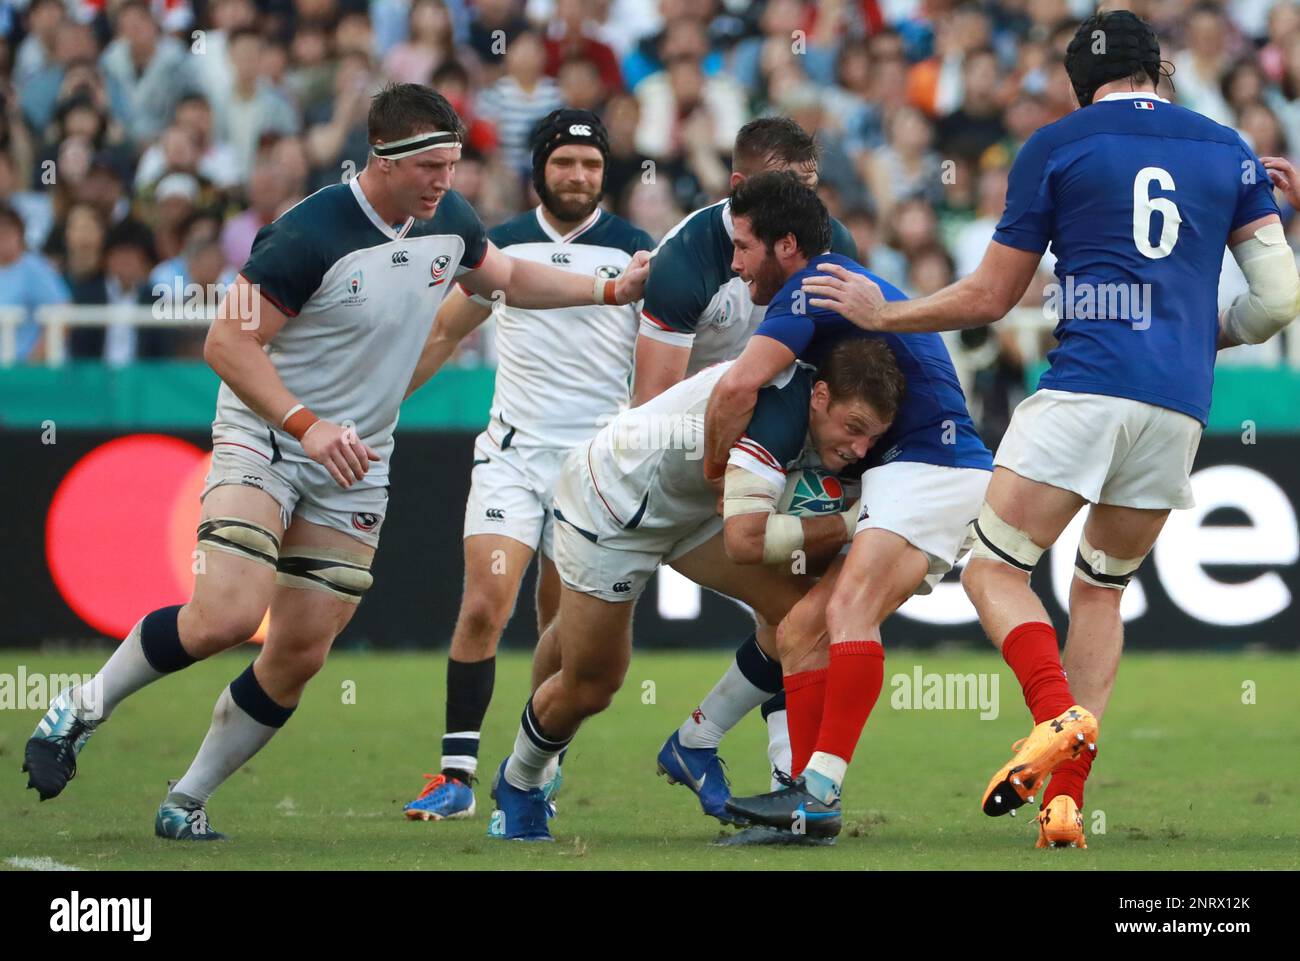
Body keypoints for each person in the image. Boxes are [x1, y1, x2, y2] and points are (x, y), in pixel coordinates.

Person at [22, 84, 649, 840]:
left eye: (453, 164)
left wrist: (609, 286)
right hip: (270, 433)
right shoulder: (309, 234)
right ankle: (79, 708)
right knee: (226, 615)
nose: (447, 181)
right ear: (383, 161)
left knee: (297, 653)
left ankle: (184, 800)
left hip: (357, 458)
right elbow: (227, 342)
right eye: (432, 166)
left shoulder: (446, 221)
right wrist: (306, 424)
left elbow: (510, 279)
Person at [796, 10, 1297, 848]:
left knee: (994, 566)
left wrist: (890, 310)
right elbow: (1279, 301)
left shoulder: (1056, 144)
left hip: (1084, 391)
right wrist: (1195, 330)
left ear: (1077, 84)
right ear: (1160, 72)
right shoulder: (1230, 147)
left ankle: (1054, 715)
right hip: (1177, 405)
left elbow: (993, 298)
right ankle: (1065, 801)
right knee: (1101, 588)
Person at [663, 172, 991, 841]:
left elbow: (739, 384)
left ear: (787, 246)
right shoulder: (830, 281)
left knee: (844, 611)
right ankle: (801, 809)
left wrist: (715, 468)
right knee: (801, 627)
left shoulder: (811, 286)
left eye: (745, 245)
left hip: (932, 465)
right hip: (921, 472)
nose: (735, 262)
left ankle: (817, 792)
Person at [489, 336, 906, 841]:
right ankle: (521, 780)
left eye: (870, 437)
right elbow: (748, 538)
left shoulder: (823, 409)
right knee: (592, 685)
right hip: (613, 508)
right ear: (819, 397)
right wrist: (848, 523)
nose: (859, 450)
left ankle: (697, 741)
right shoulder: (776, 414)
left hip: (696, 511)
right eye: (854, 429)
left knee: (801, 619)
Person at [398, 109, 653, 822]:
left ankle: (531, 767)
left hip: (595, 468)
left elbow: (664, 361)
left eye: (592, 165)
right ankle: (453, 774)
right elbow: (443, 332)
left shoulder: (637, 253)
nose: (578, 176)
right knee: (485, 601)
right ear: (541, 167)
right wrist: (372, 411)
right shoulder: (500, 247)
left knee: (564, 630)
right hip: (511, 457)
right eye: (566, 162)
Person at [634, 118, 859, 837]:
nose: (805, 210)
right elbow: (654, 411)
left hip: (773, 450)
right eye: (789, 190)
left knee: (798, 612)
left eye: (812, 188)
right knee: (587, 664)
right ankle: (523, 779)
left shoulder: (830, 250)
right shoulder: (687, 260)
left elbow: (837, 370)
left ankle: (756, 772)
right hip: (673, 470)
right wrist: (727, 470)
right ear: (741, 193)